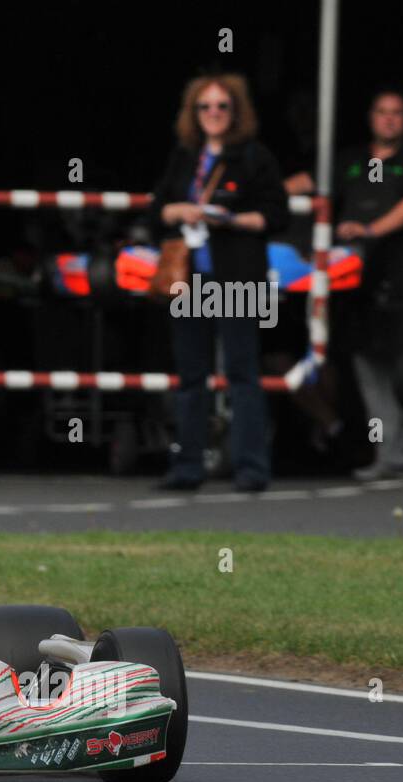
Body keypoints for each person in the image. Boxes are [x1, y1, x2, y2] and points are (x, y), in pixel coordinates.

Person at [152, 73, 289, 492]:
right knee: (190, 375)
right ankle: (188, 466)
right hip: (190, 279)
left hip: (238, 276)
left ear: (237, 111)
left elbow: (277, 214)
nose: (213, 113)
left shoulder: (255, 157)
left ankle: (251, 468)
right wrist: (180, 211)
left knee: (242, 373)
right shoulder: (184, 156)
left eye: (222, 106)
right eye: (205, 106)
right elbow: (157, 210)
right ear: (193, 113)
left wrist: (232, 219)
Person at [330, 89, 403, 480]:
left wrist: (369, 230)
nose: (389, 119)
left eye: (397, 112)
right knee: (369, 368)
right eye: (382, 112)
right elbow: (316, 184)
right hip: (359, 284)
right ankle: (387, 453)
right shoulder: (351, 160)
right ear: (370, 117)